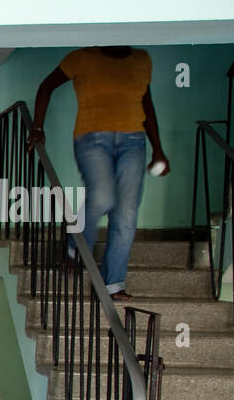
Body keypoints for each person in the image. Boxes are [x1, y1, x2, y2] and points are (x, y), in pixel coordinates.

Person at [28, 45, 170, 301]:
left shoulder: (141, 59)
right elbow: (46, 86)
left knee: (126, 212)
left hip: (134, 142)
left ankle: (112, 284)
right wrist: (37, 126)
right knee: (103, 197)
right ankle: (74, 248)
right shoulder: (81, 57)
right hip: (92, 140)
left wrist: (158, 150)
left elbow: (147, 106)